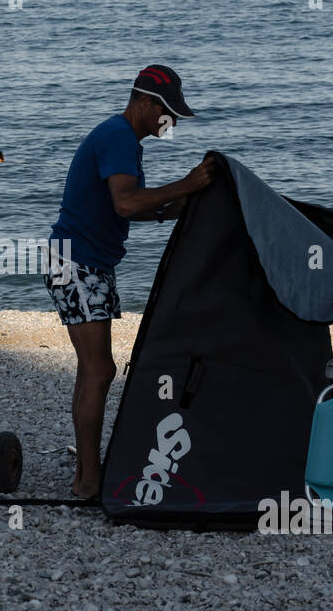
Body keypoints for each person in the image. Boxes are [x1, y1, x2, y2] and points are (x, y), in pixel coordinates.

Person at [46, 65, 215, 499]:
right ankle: (88, 480)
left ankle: (88, 473)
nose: (171, 122)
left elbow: (132, 207)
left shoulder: (123, 139)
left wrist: (179, 207)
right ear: (143, 102)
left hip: (88, 262)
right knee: (99, 369)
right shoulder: (118, 136)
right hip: (75, 261)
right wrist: (188, 183)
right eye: (167, 112)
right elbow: (125, 203)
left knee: (95, 370)